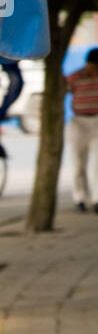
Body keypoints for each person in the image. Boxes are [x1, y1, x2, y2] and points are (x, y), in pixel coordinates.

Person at [65, 47, 98, 211]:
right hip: (79, 121)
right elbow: (63, 90)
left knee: (97, 162)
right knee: (79, 163)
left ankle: (96, 198)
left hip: (96, 121)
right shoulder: (76, 77)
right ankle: (80, 197)